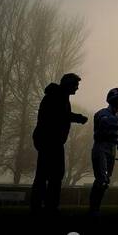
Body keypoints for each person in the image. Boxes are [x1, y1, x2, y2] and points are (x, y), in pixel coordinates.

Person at [30, 73, 89, 214]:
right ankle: (48, 205)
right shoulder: (57, 96)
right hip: (50, 140)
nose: (77, 88)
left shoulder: (57, 95)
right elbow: (60, 115)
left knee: (47, 174)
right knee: (53, 174)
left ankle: (42, 205)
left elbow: (60, 115)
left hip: (49, 140)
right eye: (76, 85)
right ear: (69, 84)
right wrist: (78, 118)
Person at [89, 88, 118, 214]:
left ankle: (95, 208)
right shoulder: (101, 113)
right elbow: (104, 123)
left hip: (112, 149)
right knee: (101, 179)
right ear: (113, 100)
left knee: (106, 180)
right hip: (101, 147)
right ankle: (93, 209)